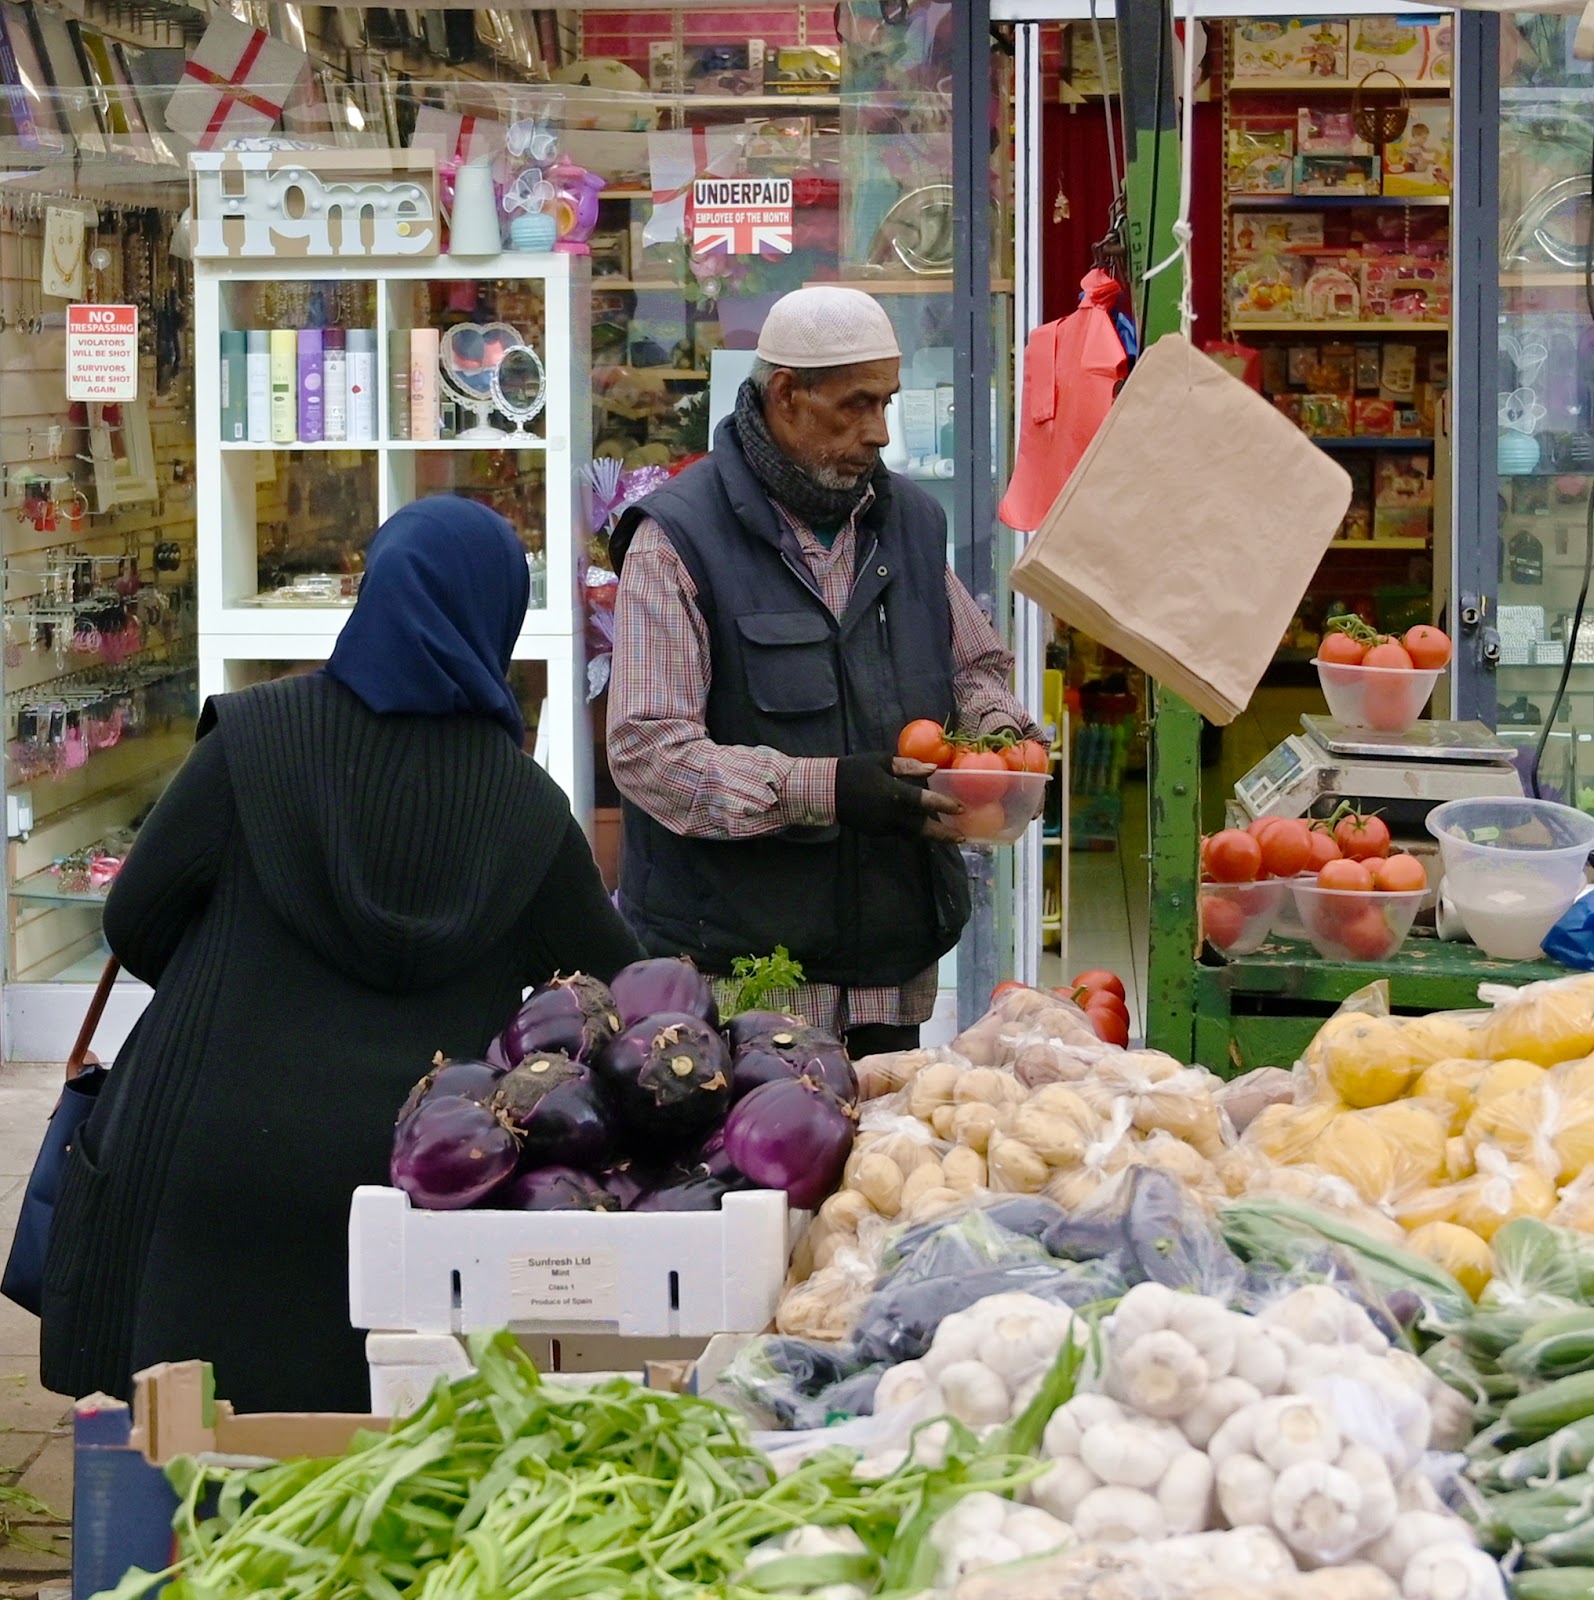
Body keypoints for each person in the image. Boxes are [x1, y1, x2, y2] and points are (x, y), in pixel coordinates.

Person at [38, 496, 643, 1413]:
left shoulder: (251, 741)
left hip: (210, 1143)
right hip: (420, 1174)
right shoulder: (527, 811)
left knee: (186, 1452)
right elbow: (613, 999)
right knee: (358, 1484)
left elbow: (134, 921)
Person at [608, 286, 1040, 1059]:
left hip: (889, 957)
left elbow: (972, 664)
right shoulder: (677, 539)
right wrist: (828, 789)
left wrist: (1003, 747)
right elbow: (650, 752)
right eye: (856, 404)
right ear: (785, 394)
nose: (879, 431)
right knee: (767, 1165)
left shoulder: (907, 521)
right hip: (745, 971)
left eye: (889, 403)